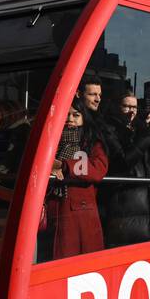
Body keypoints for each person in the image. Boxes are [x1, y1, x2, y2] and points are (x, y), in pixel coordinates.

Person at [42, 97, 109, 260]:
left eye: (76, 115)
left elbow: (98, 168)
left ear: (84, 118)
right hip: (54, 209)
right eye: (66, 114)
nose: (70, 119)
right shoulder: (50, 141)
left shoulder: (91, 142)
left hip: (80, 216)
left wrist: (64, 166)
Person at [101, 91, 150, 247]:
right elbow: (124, 162)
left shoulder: (140, 126)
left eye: (135, 107)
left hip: (147, 202)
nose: (132, 111)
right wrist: (146, 133)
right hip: (125, 205)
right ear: (117, 107)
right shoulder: (109, 129)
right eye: (126, 106)